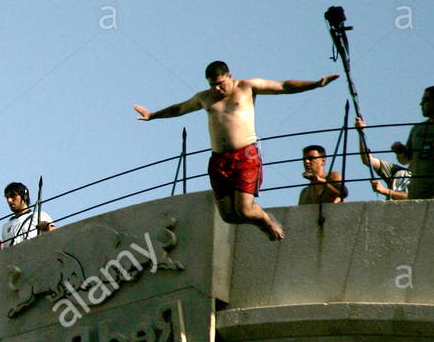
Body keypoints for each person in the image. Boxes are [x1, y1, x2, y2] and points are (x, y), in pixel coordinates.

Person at [134, 61, 339, 240]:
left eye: (220, 83)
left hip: (245, 155)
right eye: (212, 85)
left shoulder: (247, 87)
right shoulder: (204, 98)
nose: (217, 89)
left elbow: (283, 86)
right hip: (219, 160)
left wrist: (316, 84)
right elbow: (179, 109)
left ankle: (266, 221)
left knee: (245, 210)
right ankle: (259, 221)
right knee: (228, 216)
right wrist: (152, 115)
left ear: (229, 76)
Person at [390, 85, 434, 199]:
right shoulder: (417, 129)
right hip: (418, 191)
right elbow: (406, 160)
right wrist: (400, 151)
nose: (421, 104)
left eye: (425, 100)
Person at [0, 182, 54, 254]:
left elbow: (56, 235)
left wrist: (47, 228)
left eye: (13, 196)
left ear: (25, 196)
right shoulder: (6, 226)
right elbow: (5, 257)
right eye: (7, 197)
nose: (9, 200)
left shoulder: (39, 215)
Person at [355, 116, 411, 200]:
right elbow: (367, 160)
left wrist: (385, 191)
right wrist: (361, 133)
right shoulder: (400, 172)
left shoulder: (427, 177)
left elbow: (417, 197)